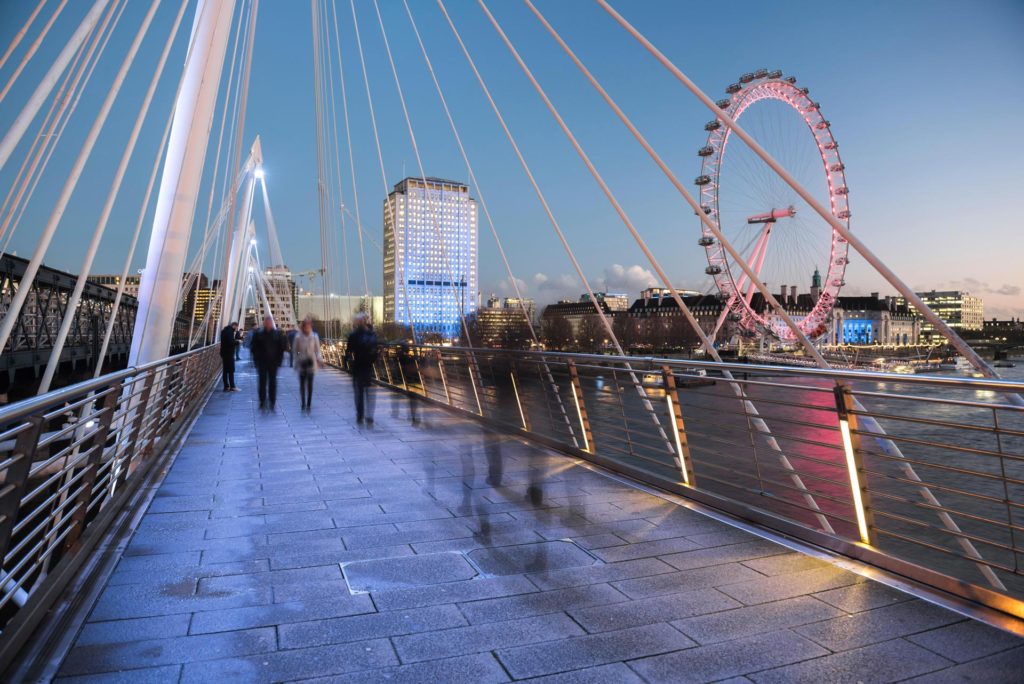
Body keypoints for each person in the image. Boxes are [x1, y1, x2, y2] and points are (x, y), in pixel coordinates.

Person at [345, 313, 378, 424]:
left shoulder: (353, 335)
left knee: (359, 392)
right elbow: (375, 349)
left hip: (358, 366)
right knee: (369, 392)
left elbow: (349, 351)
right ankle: (369, 415)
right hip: (368, 366)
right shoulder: (371, 334)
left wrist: (347, 365)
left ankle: (360, 414)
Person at [250, 315, 287, 411]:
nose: (268, 324)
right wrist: (256, 360)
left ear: (272, 323)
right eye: (267, 322)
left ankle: (272, 402)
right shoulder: (258, 334)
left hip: (273, 363)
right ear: (264, 323)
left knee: (272, 383)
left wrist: (279, 361)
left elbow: (281, 348)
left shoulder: (277, 334)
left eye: (270, 322)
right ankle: (262, 401)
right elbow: (253, 348)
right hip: (262, 362)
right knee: (262, 382)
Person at [292, 317, 323, 411]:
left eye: (309, 325)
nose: (308, 327)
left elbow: (317, 350)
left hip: (311, 363)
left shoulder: (314, 336)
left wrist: (319, 360)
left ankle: (309, 403)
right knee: (302, 385)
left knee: (310, 384)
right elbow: (295, 351)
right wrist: (298, 357)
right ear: (303, 326)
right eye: (306, 325)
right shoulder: (298, 337)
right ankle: (303, 403)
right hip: (301, 363)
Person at [219, 321, 239, 392]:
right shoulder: (230, 332)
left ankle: (226, 387)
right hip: (229, 353)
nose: (236, 329)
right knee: (231, 370)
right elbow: (230, 342)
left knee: (225, 370)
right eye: (236, 327)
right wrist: (238, 342)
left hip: (224, 353)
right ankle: (232, 387)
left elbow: (226, 342)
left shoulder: (224, 331)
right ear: (234, 326)